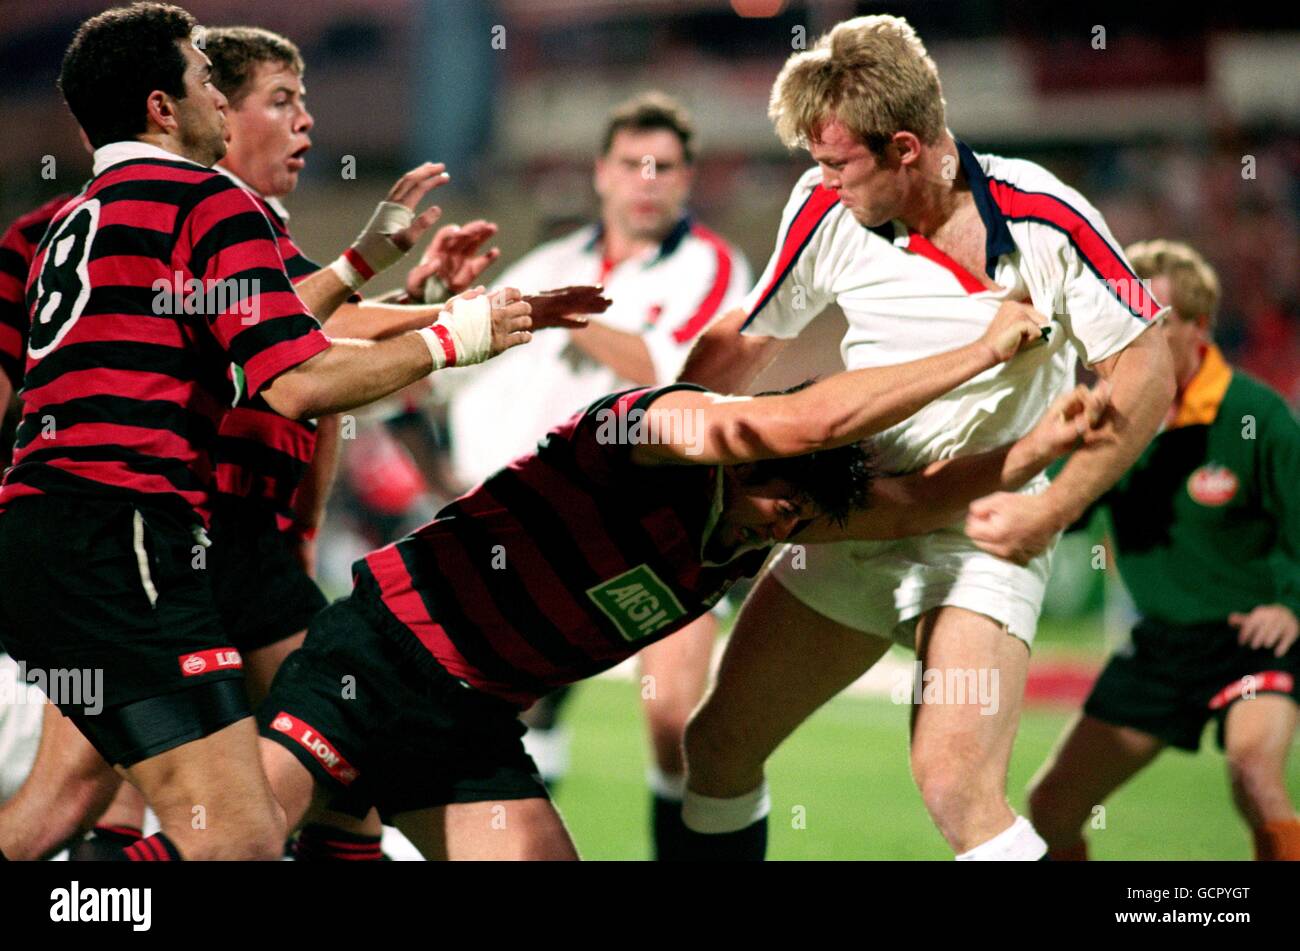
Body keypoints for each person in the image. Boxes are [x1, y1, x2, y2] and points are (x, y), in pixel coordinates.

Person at [257, 303, 1109, 858]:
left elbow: (912, 503)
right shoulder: (645, 427)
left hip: (472, 716)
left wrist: (1042, 446)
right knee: (233, 841)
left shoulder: (763, 522)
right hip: (382, 655)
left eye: (801, 514)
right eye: (782, 490)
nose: (783, 519)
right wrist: (983, 349)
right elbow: (792, 421)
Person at [0, 3, 533, 863]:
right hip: (131, 534)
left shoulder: (75, 217)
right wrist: (454, 339)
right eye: (207, 79)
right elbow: (296, 381)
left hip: (49, 532)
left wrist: (382, 286)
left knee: (71, 808)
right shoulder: (206, 199)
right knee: (237, 834)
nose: (215, 92)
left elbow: (260, 344)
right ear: (163, 107)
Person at [675, 14, 1175, 861]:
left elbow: (1148, 368)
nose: (820, 179)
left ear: (906, 147)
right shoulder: (822, 209)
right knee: (717, 747)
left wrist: (1050, 510)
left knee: (955, 787)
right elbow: (747, 340)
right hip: (859, 511)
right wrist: (655, 429)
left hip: (978, 532)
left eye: (837, 162)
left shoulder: (1045, 218)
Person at [425, 91, 751, 857]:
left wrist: (555, 312)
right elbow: (456, 374)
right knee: (498, 717)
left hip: (659, 523)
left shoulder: (711, 266)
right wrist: (441, 306)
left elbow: (670, 375)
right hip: (532, 520)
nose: (648, 181)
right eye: (632, 165)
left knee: (676, 720)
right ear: (601, 174)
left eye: (665, 166)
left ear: (687, 177)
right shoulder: (552, 263)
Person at [1027, 240, 1300, 861]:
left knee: (1254, 776)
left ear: (1199, 328)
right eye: (1126, 321)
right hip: (1162, 644)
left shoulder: (1258, 417)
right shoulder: (1119, 418)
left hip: (1251, 639)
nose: (1134, 339)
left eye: (1154, 323)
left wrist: (1291, 605)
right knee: (1051, 808)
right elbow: (1064, 518)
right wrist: (1060, 449)